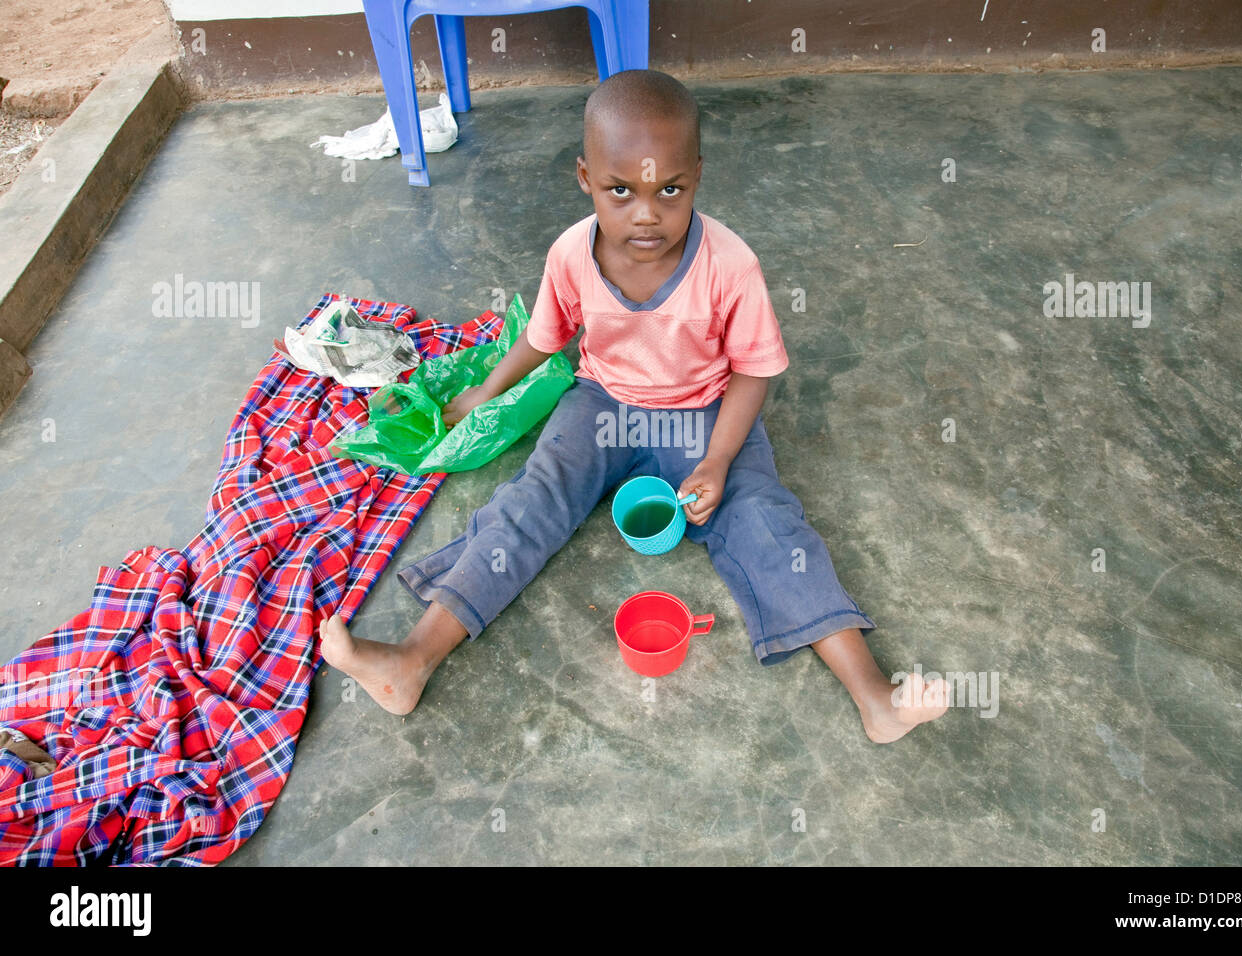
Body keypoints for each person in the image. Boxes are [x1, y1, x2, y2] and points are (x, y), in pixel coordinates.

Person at [322, 70, 949, 743]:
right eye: (621, 190)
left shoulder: (730, 264)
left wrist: (716, 459)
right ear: (585, 178)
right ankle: (412, 660)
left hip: (706, 409)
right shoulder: (570, 254)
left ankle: (875, 696)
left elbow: (752, 373)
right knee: (533, 498)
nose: (646, 213)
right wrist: (482, 393)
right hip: (602, 403)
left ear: (697, 177)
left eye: (669, 190)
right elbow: (546, 336)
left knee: (766, 521)